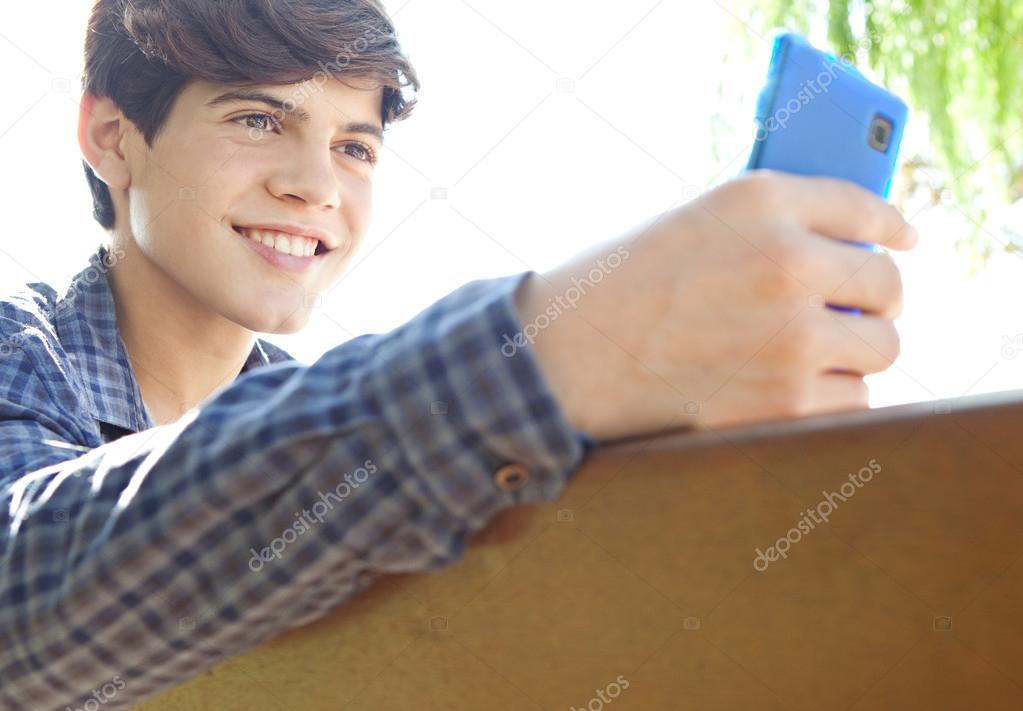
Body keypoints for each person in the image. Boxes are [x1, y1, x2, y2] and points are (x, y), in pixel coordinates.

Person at [0, 0, 917, 708]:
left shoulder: (334, 455)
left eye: (354, 146)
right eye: (257, 120)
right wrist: (553, 353)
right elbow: (25, 605)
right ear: (112, 138)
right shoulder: (20, 351)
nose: (316, 185)